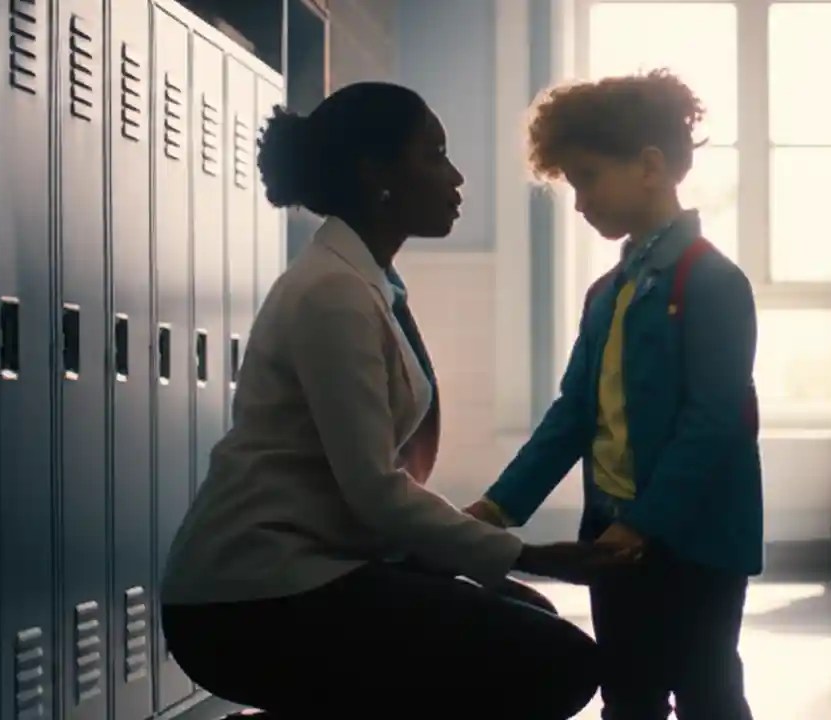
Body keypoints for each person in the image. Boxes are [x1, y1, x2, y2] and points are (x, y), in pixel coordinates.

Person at [159, 82, 619, 719]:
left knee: (528, 621)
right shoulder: (333, 294)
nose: (456, 177)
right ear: (376, 173)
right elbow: (374, 489)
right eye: (433, 155)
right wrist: (532, 556)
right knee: (555, 662)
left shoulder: (366, 282)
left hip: (312, 568)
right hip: (251, 595)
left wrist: (495, 564)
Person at [465, 69, 763, 720]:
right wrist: (495, 507)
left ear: (650, 167)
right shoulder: (607, 293)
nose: (579, 202)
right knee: (628, 693)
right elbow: (573, 414)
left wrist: (642, 524)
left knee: (708, 689)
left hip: (697, 542)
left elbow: (714, 422)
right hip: (612, 539)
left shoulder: (711, 280)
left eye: (588, 178)